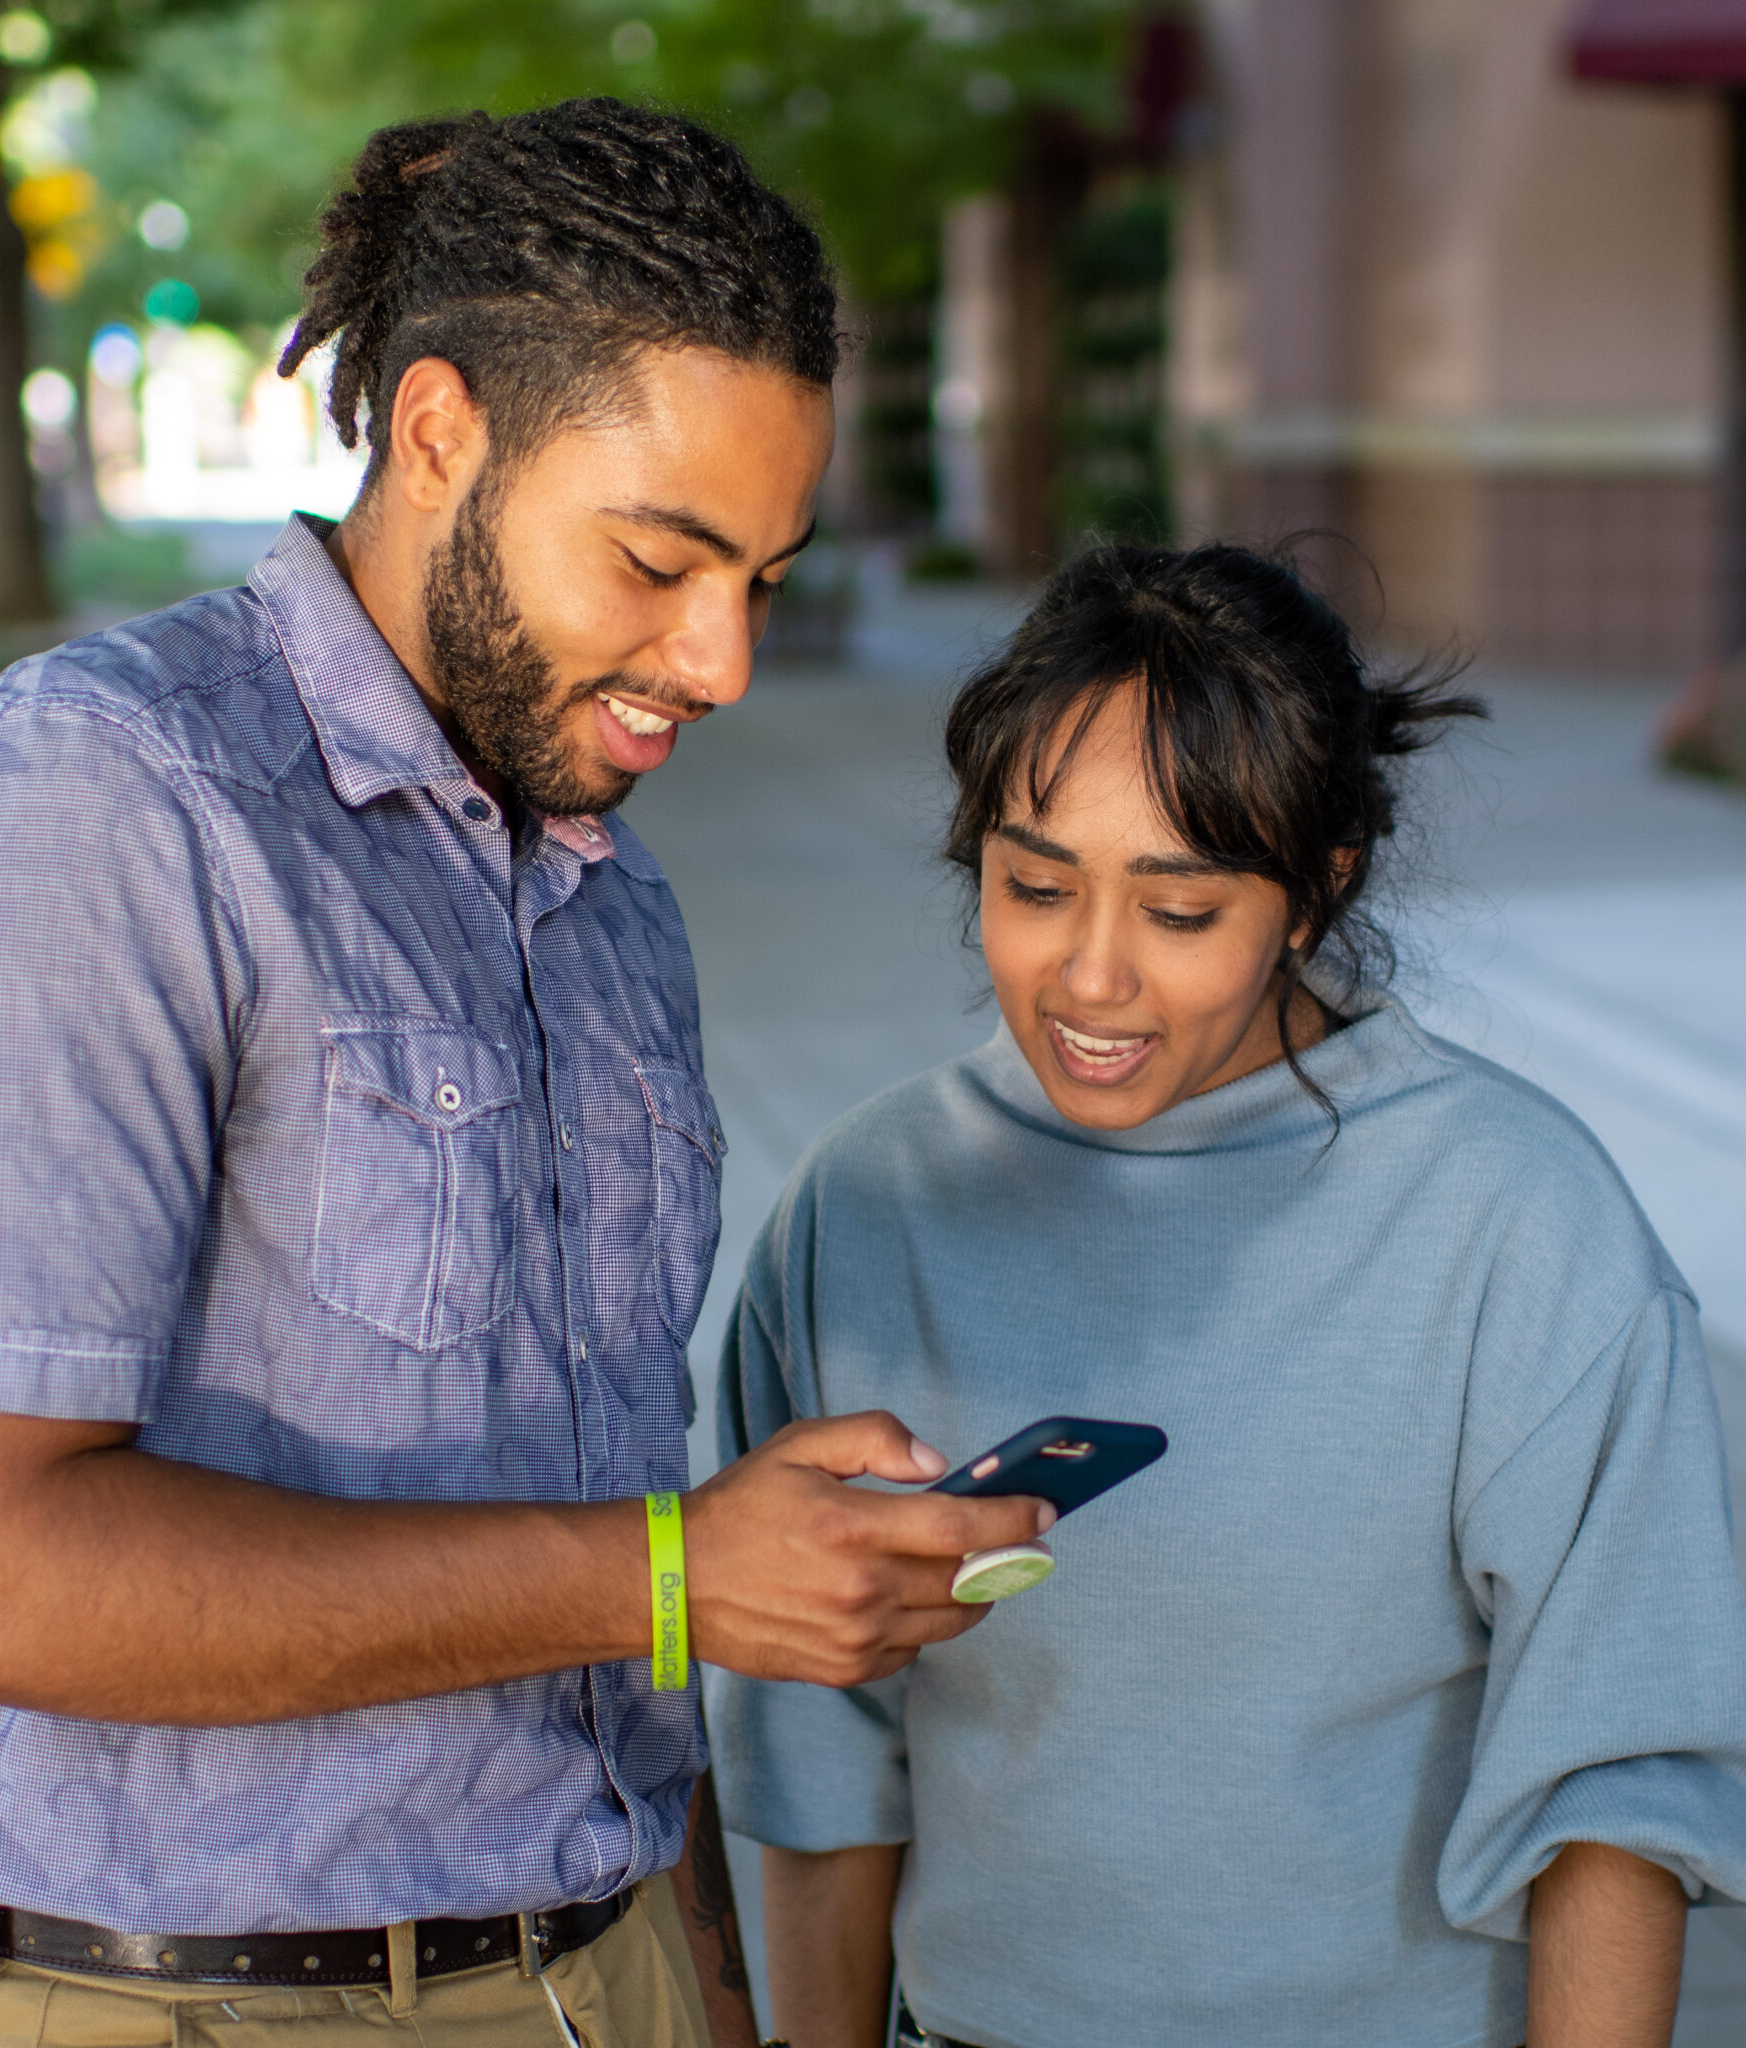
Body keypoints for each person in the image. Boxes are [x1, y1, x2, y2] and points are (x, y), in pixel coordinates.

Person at [0, 100, 1046, 2048]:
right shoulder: (98, 806)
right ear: (438, 432)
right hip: (152, 2002)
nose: (723, 658)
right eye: (662, 559)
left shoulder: (606, 903)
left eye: (760, 576)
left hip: (604, 1976)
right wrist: (673, 1572)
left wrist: (703, 1970)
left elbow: (610, 1564)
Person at [707, 542, 1746, 2048]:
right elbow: (822, 1747)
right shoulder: (863, 1214)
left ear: (1315, 894)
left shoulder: (1518, 1220)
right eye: (1033, 887)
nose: (1092, 979)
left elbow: (1613, 1790)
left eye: (1181, 913)